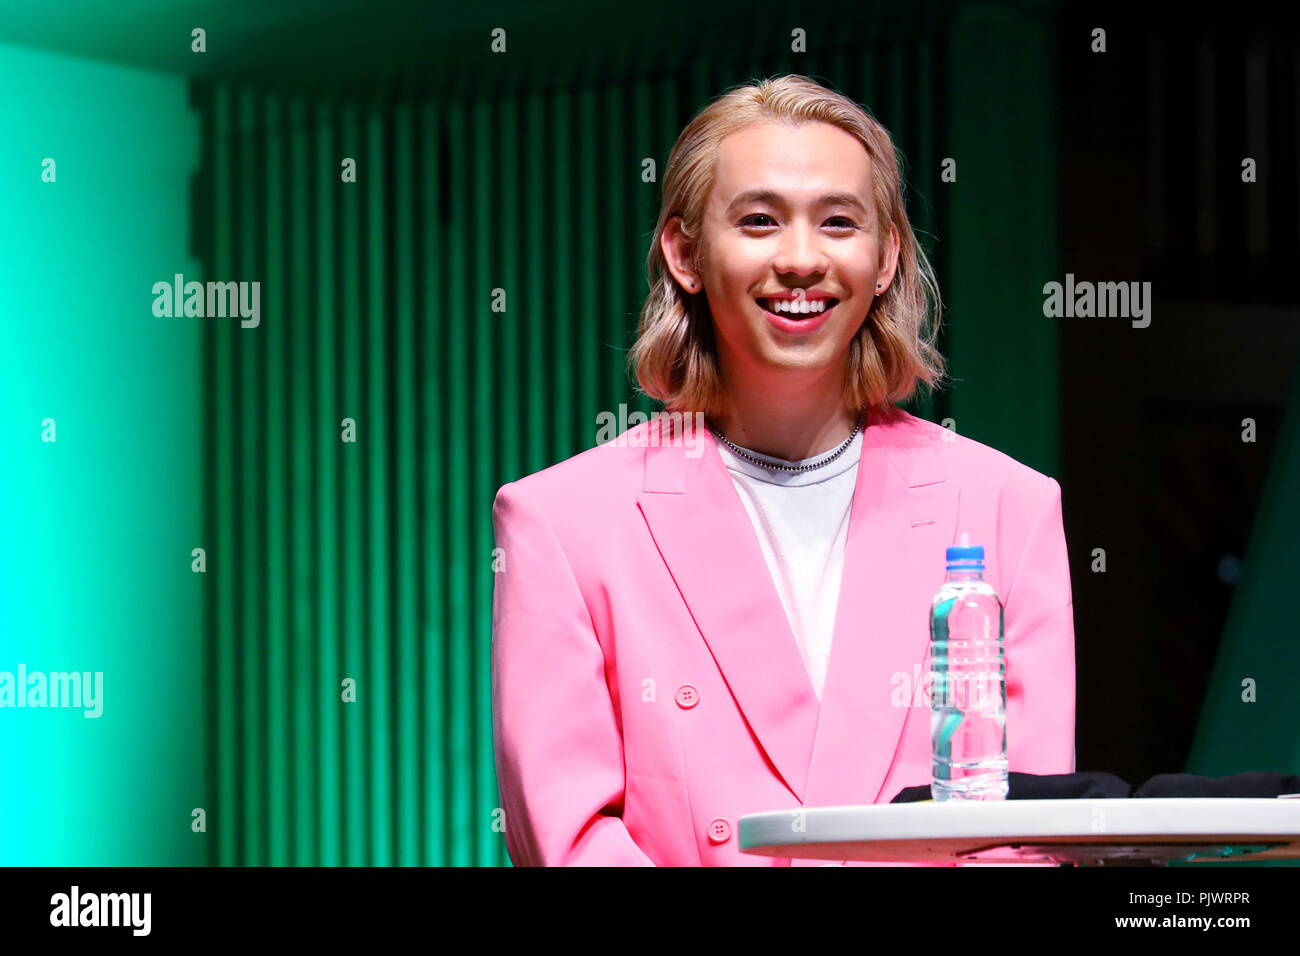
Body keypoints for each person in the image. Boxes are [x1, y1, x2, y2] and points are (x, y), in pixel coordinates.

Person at [490, 74, 1075, 866]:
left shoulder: (1010, 507)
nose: (801, 260)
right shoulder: (563, 523)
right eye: (759, 221)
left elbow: (1026, 835)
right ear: (685, 253)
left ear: (887, 257)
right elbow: (573, 840)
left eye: (839, 222)